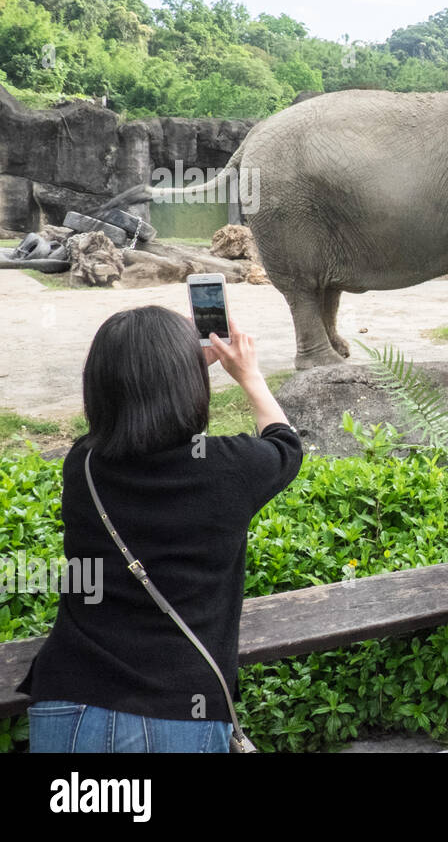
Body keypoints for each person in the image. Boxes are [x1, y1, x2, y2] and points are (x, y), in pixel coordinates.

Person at [20, 308, 302, 752]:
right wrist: (246, 374)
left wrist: (168, 370)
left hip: (67, 700)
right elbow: (285, 443)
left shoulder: (83, 466)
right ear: (188, 386)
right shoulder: (231, 468)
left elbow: (117, 418)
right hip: (178, 712)